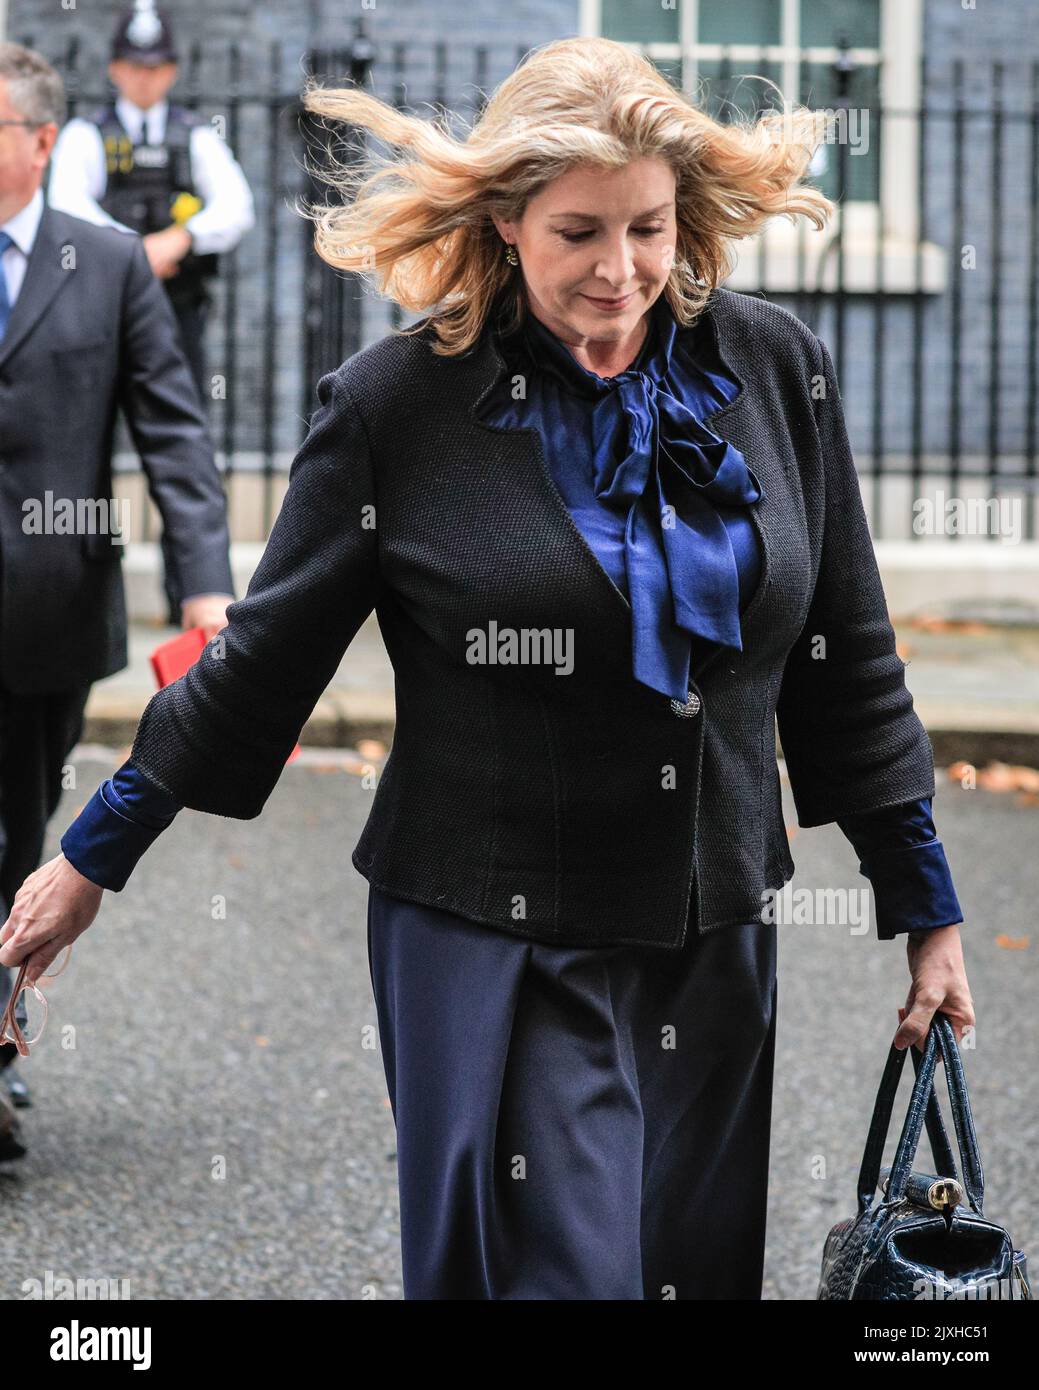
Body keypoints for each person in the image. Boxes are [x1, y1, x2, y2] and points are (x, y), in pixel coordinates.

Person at [0, 37, 975, 1297]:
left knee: (686, 1271)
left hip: (713, 936)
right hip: (497, 936)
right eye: (578, 232)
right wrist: (92, 855)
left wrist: (926, 903)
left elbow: (848, 653)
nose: (621, 271)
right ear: (507, 223)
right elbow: (260, 662)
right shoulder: (396, 407)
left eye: (649, 228)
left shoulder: (775, 369)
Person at [0, 42, 235, 1146]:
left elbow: (175, 434)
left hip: (45, 621)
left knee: (17, 845)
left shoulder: (105, 265)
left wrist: (202, 591)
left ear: (42, 142)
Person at [47, 0, 255, 625]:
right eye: (134, 66)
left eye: (156, 66)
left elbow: (235, 208)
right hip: (98, 315)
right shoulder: (88, 133)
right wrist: (134, 252)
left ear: (169, 71)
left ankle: (184, 594)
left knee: (183, 449)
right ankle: (81, 592)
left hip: (175, 317)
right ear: (116, 70)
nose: (144, 77)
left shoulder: (194, 135)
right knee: (82, 448)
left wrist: (179, 241)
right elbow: (67, 205)